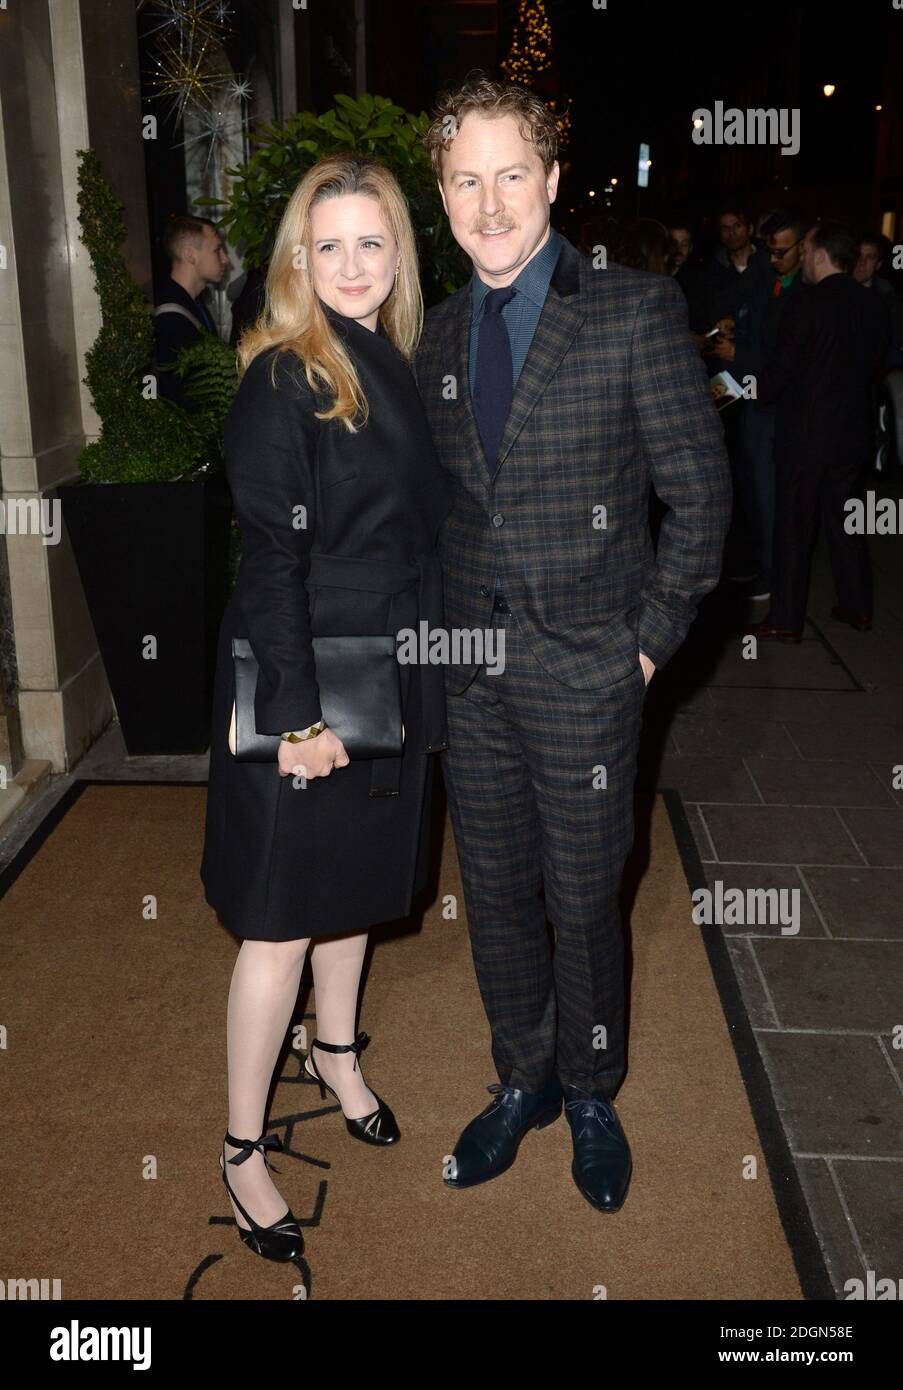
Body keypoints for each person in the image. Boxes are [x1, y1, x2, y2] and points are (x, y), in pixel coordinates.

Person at [415, 74, 731, 1214]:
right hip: (475, 677)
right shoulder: (437, 332)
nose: (489, 202)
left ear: (551, 181)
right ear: (440, 192)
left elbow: (700, 502)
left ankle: (592, 1089)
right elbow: (448, 509)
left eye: (512, 174)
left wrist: (643, 651)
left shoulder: (636, 310)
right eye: (466, 178)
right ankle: (523, 1075)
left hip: (590, 673)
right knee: (494, 892)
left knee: (587, 896)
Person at [199, 155, 453, 1261]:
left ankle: (338, 1051)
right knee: (279, 922)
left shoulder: (395, 360)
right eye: (328, 245)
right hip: (305, 676)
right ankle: (242, 1147)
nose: (351, 265)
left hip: (391, 666)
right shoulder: (284, 378)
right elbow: (268, 563)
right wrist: (300, 720)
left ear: (399, 253)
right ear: (297, 260)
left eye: (372, 243)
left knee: (352, 896)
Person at [747, 221, 892, 642]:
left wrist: (758, 389)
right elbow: (876, 364)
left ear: (822, 255)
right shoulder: (872, 304)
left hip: (807, 437)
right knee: (846, 524)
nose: (804, 259)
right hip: (852, 436)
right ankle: (858, 606)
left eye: (808, 251)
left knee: (794, 529)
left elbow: (780, 371)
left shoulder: (806, 304)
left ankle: (786, 619)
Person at [711, 209, 811, 598]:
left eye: (782, 252)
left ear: (804, 248)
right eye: (770, 251)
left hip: (782, 407)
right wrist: (729, 319)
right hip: (750, 399)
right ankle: (757, 561)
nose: (774, 259)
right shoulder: (762, 272)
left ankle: (771, 570)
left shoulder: (808, 292)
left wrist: (743, 355)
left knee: (770, 492)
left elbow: (792, 358)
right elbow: (730, 303)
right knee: (753, 486)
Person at [154, 214, 229, 407]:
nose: (225, 259)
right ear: (190, 255)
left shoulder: (194, 303)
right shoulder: (169, 318)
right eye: (217, 250)